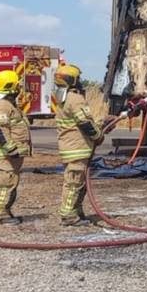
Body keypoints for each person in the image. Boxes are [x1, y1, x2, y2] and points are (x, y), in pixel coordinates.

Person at [53, 64, 105, 226]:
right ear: (71, 80)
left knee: (78, 182)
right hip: (77, 148)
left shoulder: (61, 98)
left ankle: (76, 211)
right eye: (78, 79)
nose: (80, 82)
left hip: (70, 147)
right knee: (74, 182)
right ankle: (69, 215)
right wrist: (98, 136)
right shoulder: (75, 99)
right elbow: (84, 122)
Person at [0, 70, 32, 224]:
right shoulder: (0, 106)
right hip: (8, 154)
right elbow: (1, 131)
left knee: (11, 182)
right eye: (17, 85)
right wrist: (11, 149)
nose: (19, 88)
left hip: (13, 154)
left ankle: (5, 211)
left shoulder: (7, 104)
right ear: (11, 86)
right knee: (6, 182)